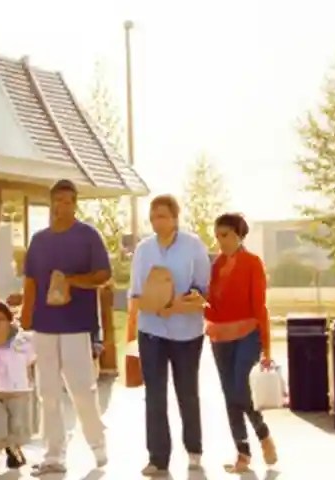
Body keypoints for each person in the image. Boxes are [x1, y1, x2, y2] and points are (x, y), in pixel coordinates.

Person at [19, 179, 111, 476]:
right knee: (47, 392)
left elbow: (103, 275)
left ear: (75, 204)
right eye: (59, 200)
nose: (64, 205)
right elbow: (30, 281)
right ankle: (53, 455)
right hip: (44, 325)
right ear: (52, 204)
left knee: (81, 389)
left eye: (69, 201)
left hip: (77, 325)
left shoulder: (88, 236)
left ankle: (97, 443)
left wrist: (72, 281)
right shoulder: (39, 241)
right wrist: (25, 315)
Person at [125, 194, 212, 476]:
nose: (157, 221)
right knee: (155, 395)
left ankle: (194, 449)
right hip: (151, 330)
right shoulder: (143, 250)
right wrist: (147, 310)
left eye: (162, 216)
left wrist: (180, 303)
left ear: (175, 218)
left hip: (187, 332)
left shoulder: (194, 246)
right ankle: (158, 457)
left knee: (187, 391)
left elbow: (203, 288)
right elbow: (135, 292)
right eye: (153, 217)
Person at [206, 212, 278, 473]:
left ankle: (263, 433)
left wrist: (266, 348)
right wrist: (198, 303)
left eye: (225, 235)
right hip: (220, 337)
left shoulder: (252, 263)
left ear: (239, 234)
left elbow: (260, 308)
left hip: (248, 335)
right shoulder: (215, 266)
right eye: (217, 236)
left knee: (240, 388)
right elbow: (213, 306)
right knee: (229, 395)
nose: (220, 241)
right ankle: (242, 453)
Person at [0, 301, 36, 473]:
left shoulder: (22, 338)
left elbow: (31, 356)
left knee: (17, 425)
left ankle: (13, 450)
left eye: (1, 318)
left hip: (18, 389)